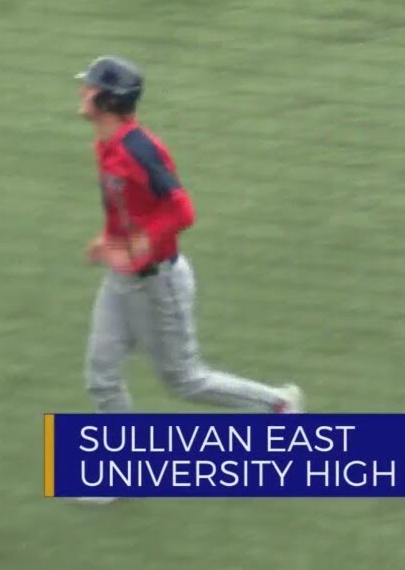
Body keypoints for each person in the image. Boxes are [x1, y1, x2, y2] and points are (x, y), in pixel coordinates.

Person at [75, 56, 303, 501]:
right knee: (101, 374)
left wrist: (142, 244)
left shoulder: (140, 149)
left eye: (90, 88)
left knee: (184, 379)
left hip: (160, 284)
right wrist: (108, 241)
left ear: (107, 99)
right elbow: (126, 211)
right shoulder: (104, 147)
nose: (82, 92)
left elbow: (181, 210)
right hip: (121, 281)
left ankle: (278, 403)